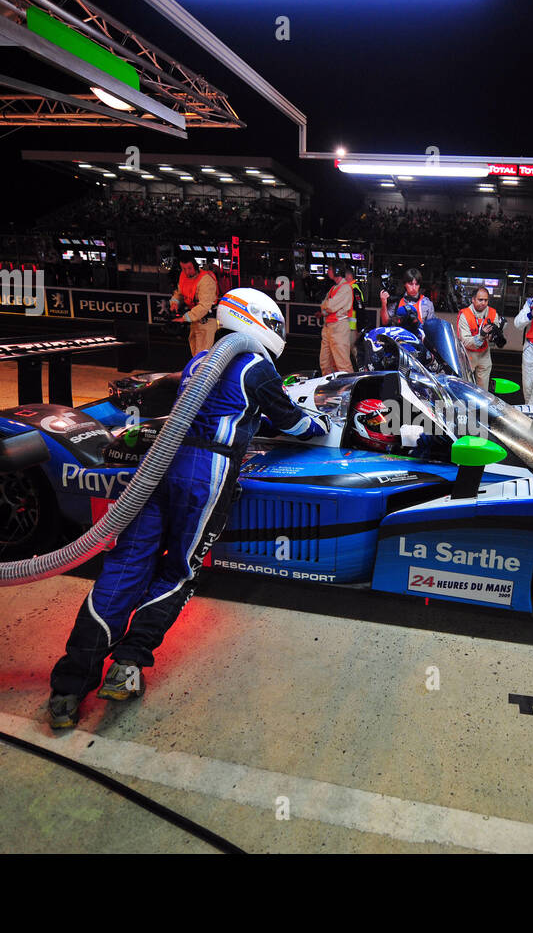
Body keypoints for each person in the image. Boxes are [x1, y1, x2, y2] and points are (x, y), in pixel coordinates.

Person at [48, 289, 326, 728]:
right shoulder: (257, 367)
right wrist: (317, 422)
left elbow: (230, 406)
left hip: (162, 462)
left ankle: (67, 687)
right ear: (261, 323)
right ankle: (128, 663)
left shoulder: (200, 360)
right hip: (206, 471)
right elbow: (293, 423)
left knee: (124, 565)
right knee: (180, 568)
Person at [169, 253, 220, 356]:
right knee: (195, 354)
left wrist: (184, 318)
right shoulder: (183, 276)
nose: (187, 272)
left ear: (195, 266)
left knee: (201, 357)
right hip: (195, 319)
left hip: (207, 320)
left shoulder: (206, 280)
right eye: (184, 269)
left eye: (189, 268)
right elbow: (180, 292)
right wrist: (175, 302)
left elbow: (204, 306)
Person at [458, 285, 504, 390]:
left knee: (483, 389)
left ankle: (481, 407)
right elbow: (465, 341)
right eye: (480, 300)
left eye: (486, 300)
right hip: (468, 353)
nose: (483, 303)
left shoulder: (492, 313)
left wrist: (495, 336)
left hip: (484, 353)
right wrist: (481, 336)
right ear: (473, 300)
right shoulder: (464, 315)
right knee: (467, 387)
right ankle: (467, 406)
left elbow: (493, 337)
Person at [318, 265, 356, 375]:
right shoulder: (334, 288)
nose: (328, 271)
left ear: (337, 270)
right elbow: (325, 306)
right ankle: (329, 386)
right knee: (325, 362)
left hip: (339, 327)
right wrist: (326, 307)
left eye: (330, 269)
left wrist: (326, 306)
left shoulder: (345, 288)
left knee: (342, 363)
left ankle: (349, 388)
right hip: (329, 326)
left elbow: (329, 306)